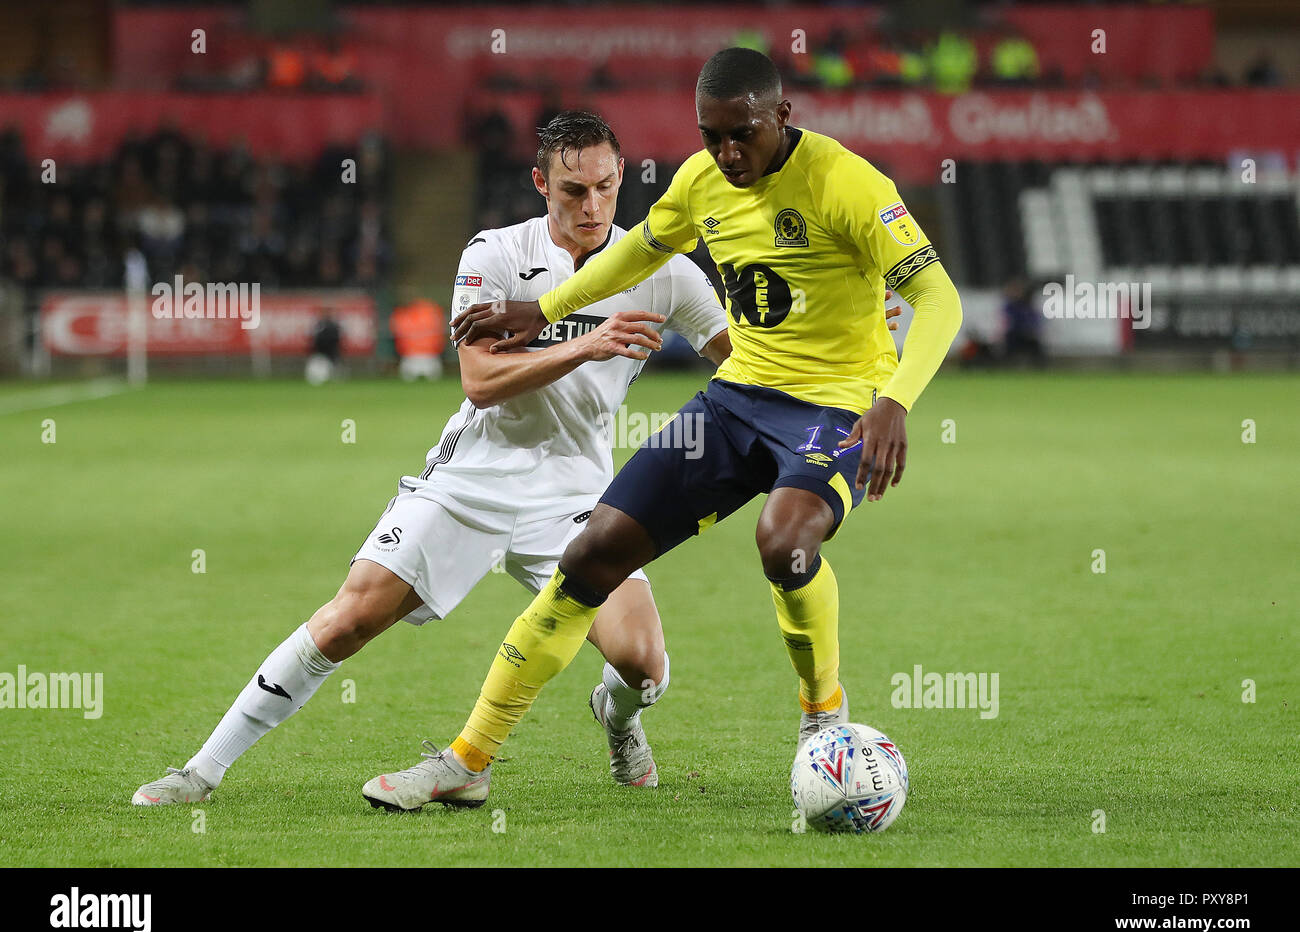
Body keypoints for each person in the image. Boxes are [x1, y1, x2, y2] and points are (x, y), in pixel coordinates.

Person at [383, 47, 960, 807]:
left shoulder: (846, 182)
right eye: (710, 135)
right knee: (590, 555)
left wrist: (895, 399)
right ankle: (468, 760)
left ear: (782, 117)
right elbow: (633, 256)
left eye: (742, 134)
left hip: (836, 407)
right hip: (737, 399)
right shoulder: (700, 180)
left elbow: (940, 298)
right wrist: (542, 309)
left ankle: (822, 712)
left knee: (784, 542)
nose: (726, 153)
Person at [131, 111, 734, 807]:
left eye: (604, 186)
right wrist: (583, 343)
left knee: (642, 662)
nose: (592, 206)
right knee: (350, 616)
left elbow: (745, 368)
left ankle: (616, 715)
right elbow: (479, 380)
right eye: (573, 190)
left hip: (576, 495)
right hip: (471, 478)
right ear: (540, 182)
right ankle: (200, 771)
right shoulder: (495, 254)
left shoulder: (662, 271)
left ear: (621, 176)